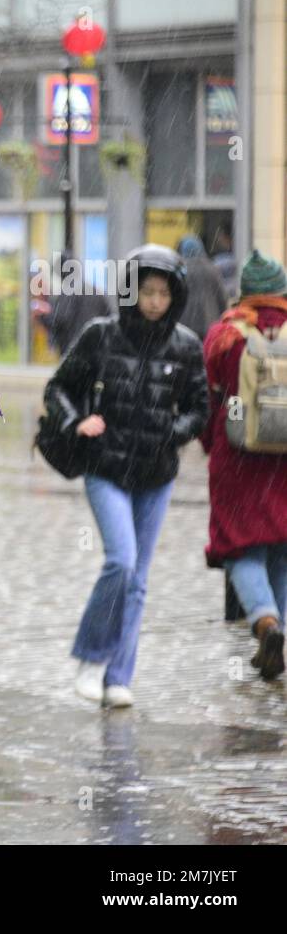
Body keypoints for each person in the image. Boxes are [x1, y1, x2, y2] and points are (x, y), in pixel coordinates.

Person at [46, 244, 209, 709]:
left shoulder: (186, 346)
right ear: (131, 291)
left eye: (163, 293)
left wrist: (172, 432)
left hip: (157, 475)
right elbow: (59, 388)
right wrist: (76, 421)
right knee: (121, 560)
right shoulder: (100, 336)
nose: (155, 301)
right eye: (147, 291)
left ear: (174, 296)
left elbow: (200, 408)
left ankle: (119, 677)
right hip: (106, 468)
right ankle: (91, 658)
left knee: (138, 579)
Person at [200, 250, 287, 681]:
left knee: (239, 548)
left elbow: (213, 400)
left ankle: (266, 622)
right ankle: (279, 633)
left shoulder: (225, 336)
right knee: (282, 548)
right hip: (284, 463)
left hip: (238, 459)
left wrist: (209, 443)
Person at [177, 235, 229, 340]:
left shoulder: (181, 270)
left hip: (185, 326)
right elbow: (222, 299)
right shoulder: (212, 268)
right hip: (210, 325)